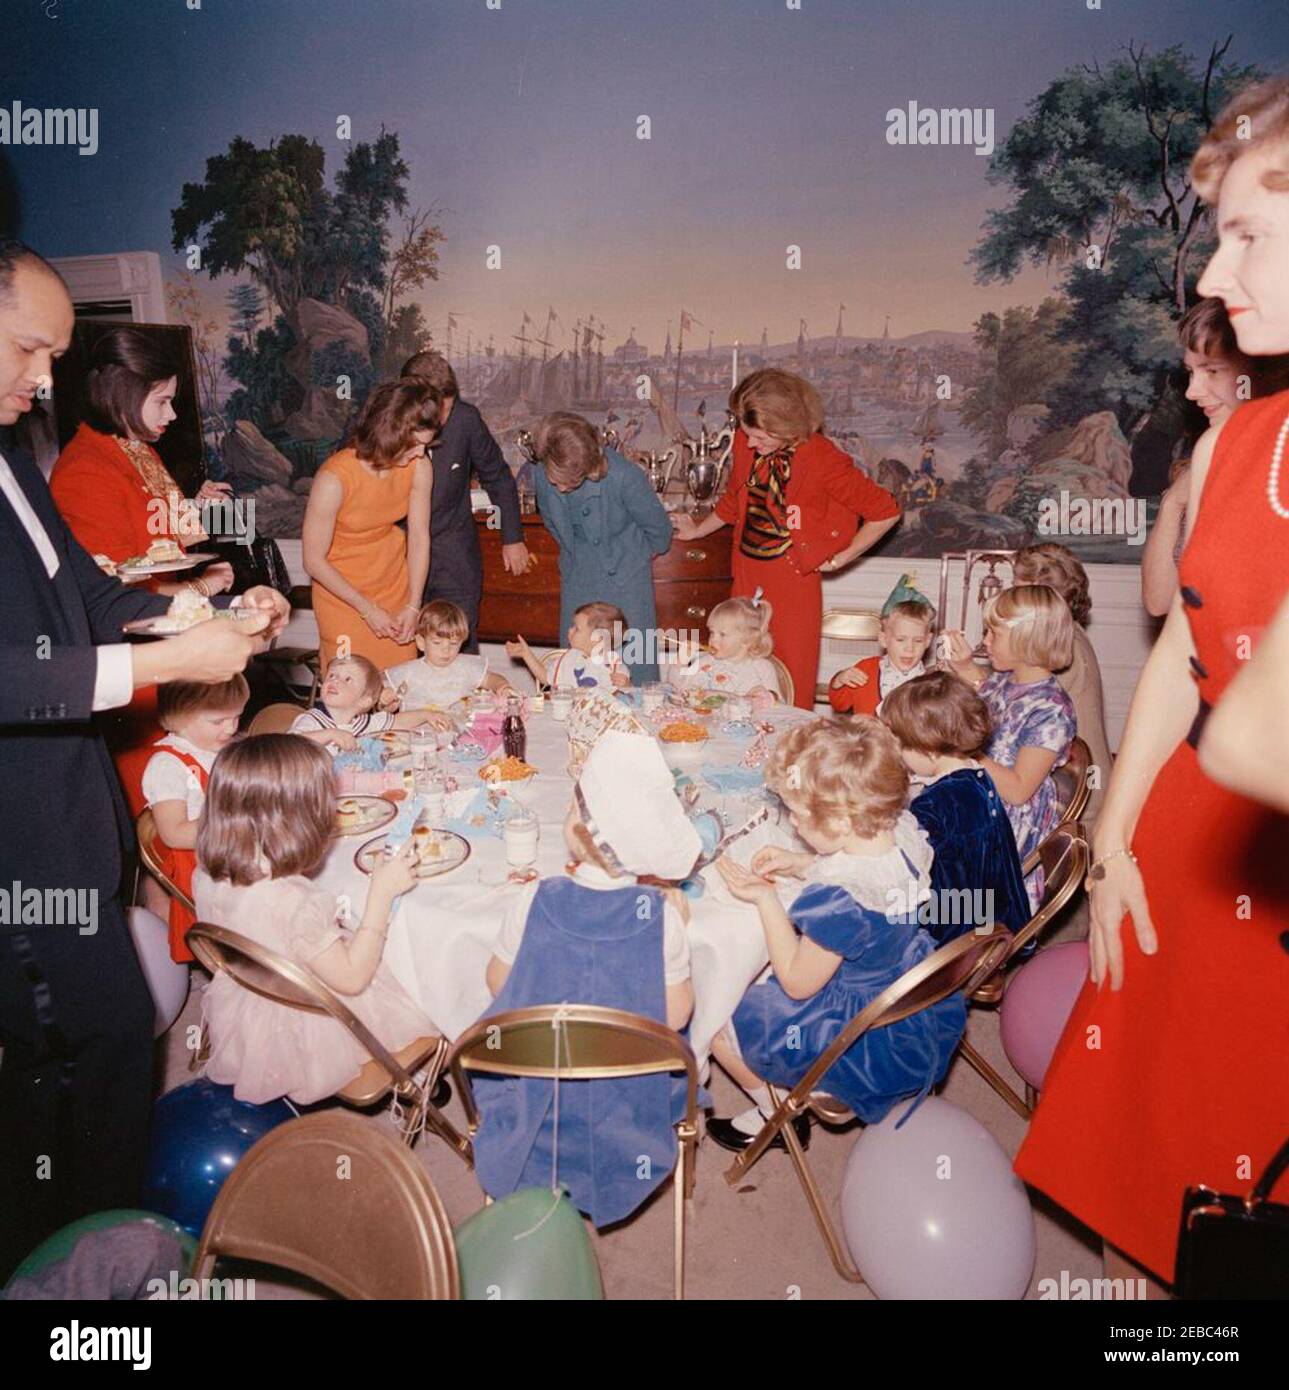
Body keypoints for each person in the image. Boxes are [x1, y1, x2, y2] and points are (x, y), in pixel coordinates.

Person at [1015, 78, 1289, 1296]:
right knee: (1151, 1173)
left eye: (1246, 236)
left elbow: (1260, 744)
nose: (1215, 279)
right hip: (1186, 853)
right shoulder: (1238, 438)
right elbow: (1187, 649)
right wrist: (1115, 833)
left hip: (1270, 891)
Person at [0, 240, 287, 1278]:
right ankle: (75, 1274)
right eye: (32, 351)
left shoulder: (12, 464)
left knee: (103, 1053)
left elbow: (82, 591)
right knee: (65, 1074)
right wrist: (153, 667)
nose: (44, 383)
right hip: (17, 849)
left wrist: (197, 609)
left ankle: (100, 1259)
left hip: (72, 828)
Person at [706, 717, 965, 1153]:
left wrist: (766, 900)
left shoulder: (840, 901)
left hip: (853, 1034)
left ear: (843, 821)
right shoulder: (902, 833)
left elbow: (797, 982)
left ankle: (775, 1112)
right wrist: (800, 861)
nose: (792, 822)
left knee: (716, 1016)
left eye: (798, 815)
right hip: (905, 995)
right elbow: (868, 869)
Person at [475, 731, 701, 1227]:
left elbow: (498, 985)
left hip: (535, 1090)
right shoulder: (661, 918)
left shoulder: (533, 899)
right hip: (628, 1100)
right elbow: (677, 1014)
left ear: (575, 826)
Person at [49, 326, 236, 815]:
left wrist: (199, 506)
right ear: (123, 394)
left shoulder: (135, 449)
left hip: (165, 647)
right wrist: (199, 587)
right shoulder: (84, 469)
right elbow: (107, 591)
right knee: (165, 803)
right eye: (162, 401)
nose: (172, 415)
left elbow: (160, 535)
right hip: (140, 660)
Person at [192, 735, 434, 1104]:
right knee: (433, 989)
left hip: (250, 1010)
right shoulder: (293, 902)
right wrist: (381, 895)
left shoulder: (205, 874)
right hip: (309, 1030)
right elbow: (352, 979)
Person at [673, 369, 901, 709]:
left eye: (760, 437)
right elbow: (735, 500)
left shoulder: (823, 457)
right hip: (747, 575)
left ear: (788, 426)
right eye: (746, 434)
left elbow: (886, 511)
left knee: (788, 684)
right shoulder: (745, 441)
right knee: (733, 674)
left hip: (794, 583)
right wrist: (698, 529)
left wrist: (841, 558)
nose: (749, 444)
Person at [1141, 298, 1289, 617]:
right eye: (1191, 373)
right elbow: (1159, 601)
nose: (1192, 392)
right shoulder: (1212, 454)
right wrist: (1173, 503)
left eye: (1211, 370)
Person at [945, 584, 1076, 907]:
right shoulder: (1008, 680)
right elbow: (984, 687)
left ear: (1026, 638)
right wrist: (963, 667)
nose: (985, 641)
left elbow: (1018, 790)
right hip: (982, 798)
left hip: (1006, 828)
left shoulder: (1051, 709)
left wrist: (962, 751)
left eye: (993, 633)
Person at [881, 671, 1030, 942]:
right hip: (993, 915)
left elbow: (907, 871)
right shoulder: (977, 778)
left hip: (957, 935)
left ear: (928, 750)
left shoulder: (937, 803)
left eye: (900, 745)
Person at [302, 380, 438, 669]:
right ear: (389, 434)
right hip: (342, 596)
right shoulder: (334, 478)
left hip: (392, 587)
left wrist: (413, 605)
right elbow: (313, 561)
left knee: (399, 685)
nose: (420, 454)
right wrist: (367, 609)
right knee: (350, 688)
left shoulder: (419, 467)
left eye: (426, 446)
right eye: (414, 446)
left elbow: (419, 540)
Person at [532, 411, 674, 684]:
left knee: (633, 668)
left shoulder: (625, 475)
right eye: (554, 480)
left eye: (569, 482)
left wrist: (631, 558)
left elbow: (660, 531)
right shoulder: (542, 471)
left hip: (626, 583)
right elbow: (551, 522)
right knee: (575, 669)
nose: (560, 488)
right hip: (578, 577)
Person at [401, 351, 528, 651]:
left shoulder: (466, 419)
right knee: (405, 654)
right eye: (438, 410)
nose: (443, 419)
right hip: (398, 560)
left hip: (454, 560)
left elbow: (497, 476)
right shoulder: (379, 423)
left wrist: (512, 537)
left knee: (459, 653)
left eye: (449, 408)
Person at [142, 676, 249, 963]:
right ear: (180, 718)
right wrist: (236, 823)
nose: (231, 728)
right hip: (202, 866)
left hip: (230, 849)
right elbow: (173, 833)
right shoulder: (168, 765)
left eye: (237, 717)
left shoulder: (215, 748)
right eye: (219, 721)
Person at [1011, 542, 1113, 823]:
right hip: (1073, 784)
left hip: (1076, 798)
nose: (1012, 599)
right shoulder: (1066, 633)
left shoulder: (1062, 647)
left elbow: (1015, 703)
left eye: (1020, 592)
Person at [828, 575, 934, 716]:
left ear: (928, 641)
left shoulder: (931, 682)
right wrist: (840, 680)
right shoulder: (865, 670)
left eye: (918, 641)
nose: (910, 648)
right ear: (884, 639)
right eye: (901, 639)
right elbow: (839, 705)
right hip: (867, 737)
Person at [384, 599, 515, 710]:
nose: (446, 650)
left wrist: (502, 686)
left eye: (453, 643)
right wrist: (385, 703)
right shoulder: (408, 672)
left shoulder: (465, 666)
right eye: (437, 643)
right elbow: (380, 697)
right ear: (421, 642)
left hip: (461, 733)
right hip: (419, 735)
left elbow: (490, 679)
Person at [290, 655, 446, 746]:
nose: (335, 681)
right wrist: (329, 735)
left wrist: (427, 714)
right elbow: (290, 745)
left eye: (347, 679)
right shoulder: (312, 720)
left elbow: (397, 722)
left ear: (364, 701)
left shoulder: (363, 724)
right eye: (332, 675)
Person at [666, 593, 781, 701]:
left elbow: (779, 707)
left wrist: (764, 697)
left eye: (722, 634)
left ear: (747, 639)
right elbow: (678, 691)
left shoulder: (762, 668)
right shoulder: (704, 662)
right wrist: (679, 663)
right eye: (712, 632)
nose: (713, 639)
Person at [506, 600, 630, 692]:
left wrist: (626, 686)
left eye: (577, 628)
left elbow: (627, 697)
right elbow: (545, 678)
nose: (570, 630)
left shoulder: (613, 666)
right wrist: (526, 654)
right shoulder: (569, 658)